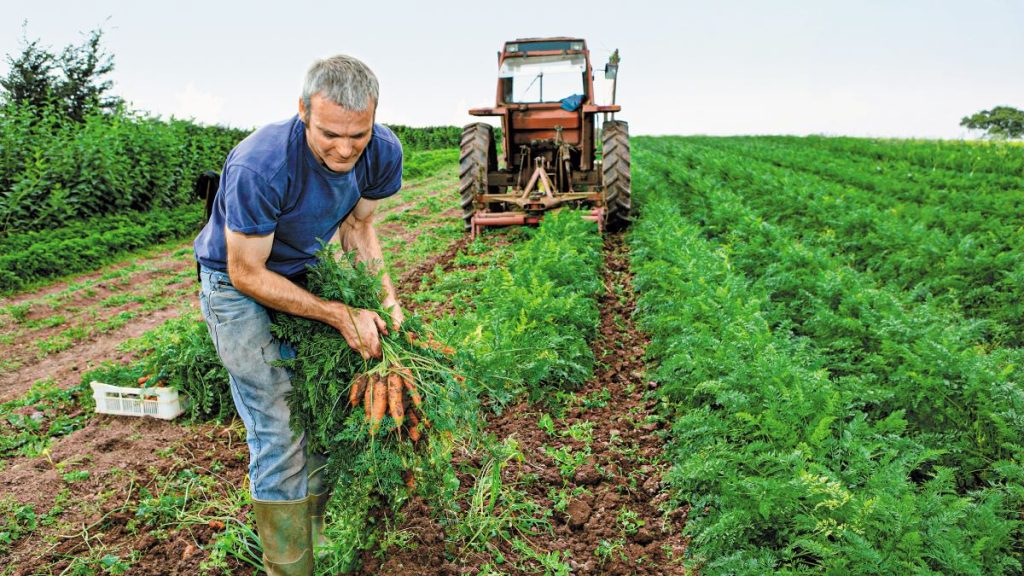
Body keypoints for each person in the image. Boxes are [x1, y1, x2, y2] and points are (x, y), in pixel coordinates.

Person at [193, 54, 404, 575]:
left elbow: (358, 231)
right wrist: (337, 314)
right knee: (280, 425)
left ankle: (309, 542)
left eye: (359, 134)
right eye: (331, 133)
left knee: (324, 409)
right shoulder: (260, 165)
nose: (345, 148)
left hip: (304, 273)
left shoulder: (381, 153)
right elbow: (247, 272)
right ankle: (288, 570)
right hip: (236, 282)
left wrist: (387, 306)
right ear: (303, 111)